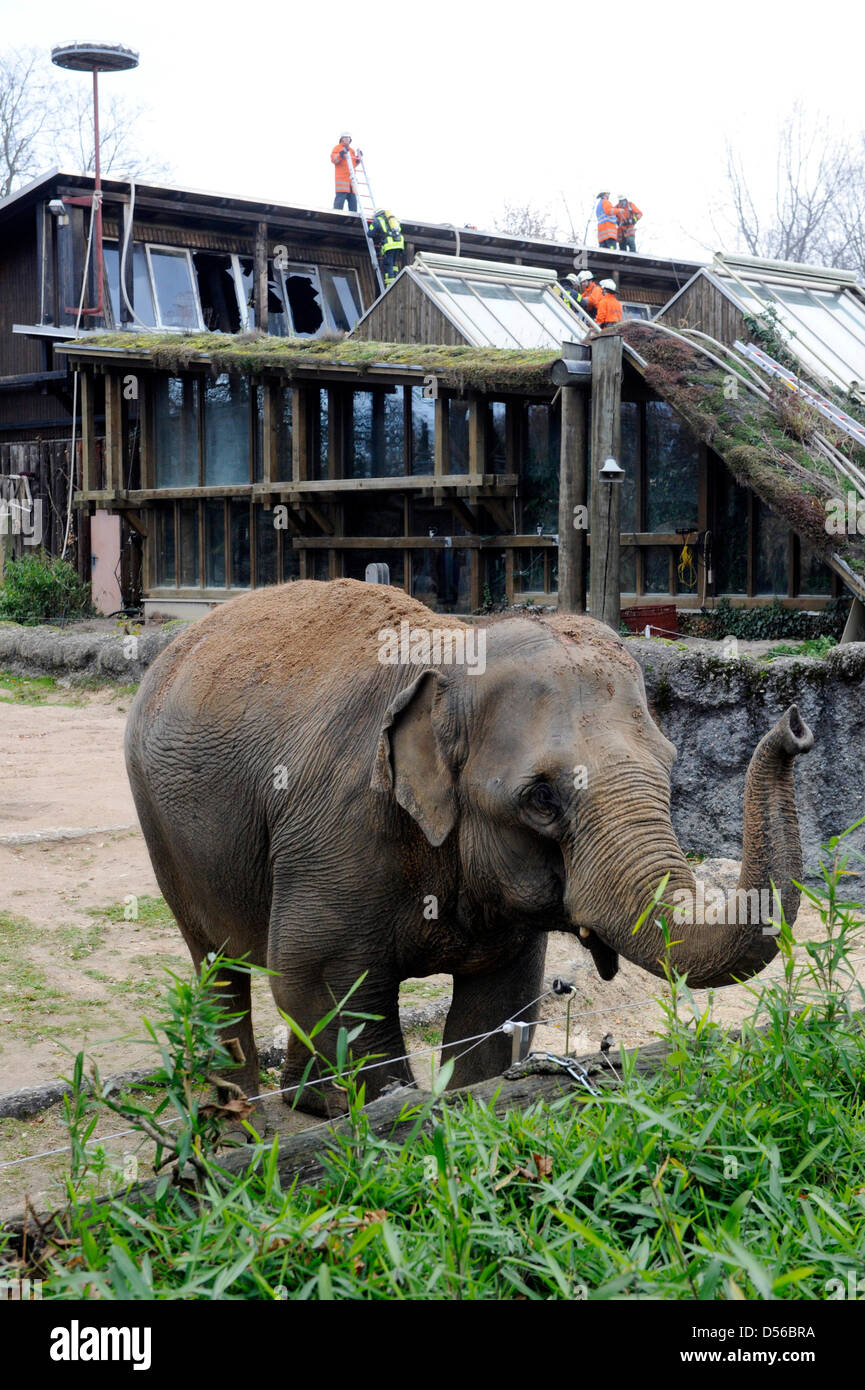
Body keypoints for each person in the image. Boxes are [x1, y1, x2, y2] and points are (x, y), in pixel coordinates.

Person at [369, 209, 405, 286]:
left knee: (388, 264)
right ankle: (396, 281)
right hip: (399, 244)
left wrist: (379, 235)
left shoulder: (378, 220)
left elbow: (370, 234)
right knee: (393, 264)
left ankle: (390, 285)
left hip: (389, 245)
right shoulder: (393, 220)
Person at [331, 133, 362, 211]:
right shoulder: (337, 148)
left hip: (351, 181)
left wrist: (358, 159)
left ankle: (352, 219)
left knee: (353, 202)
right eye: (345, 137)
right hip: (342, 180)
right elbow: (334, 160)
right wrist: (341, 153)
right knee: (339, 202)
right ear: (341, 139)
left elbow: (353, 164)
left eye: (348, 138)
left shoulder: (351, 151)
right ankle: (336, 216)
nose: (347, 139)